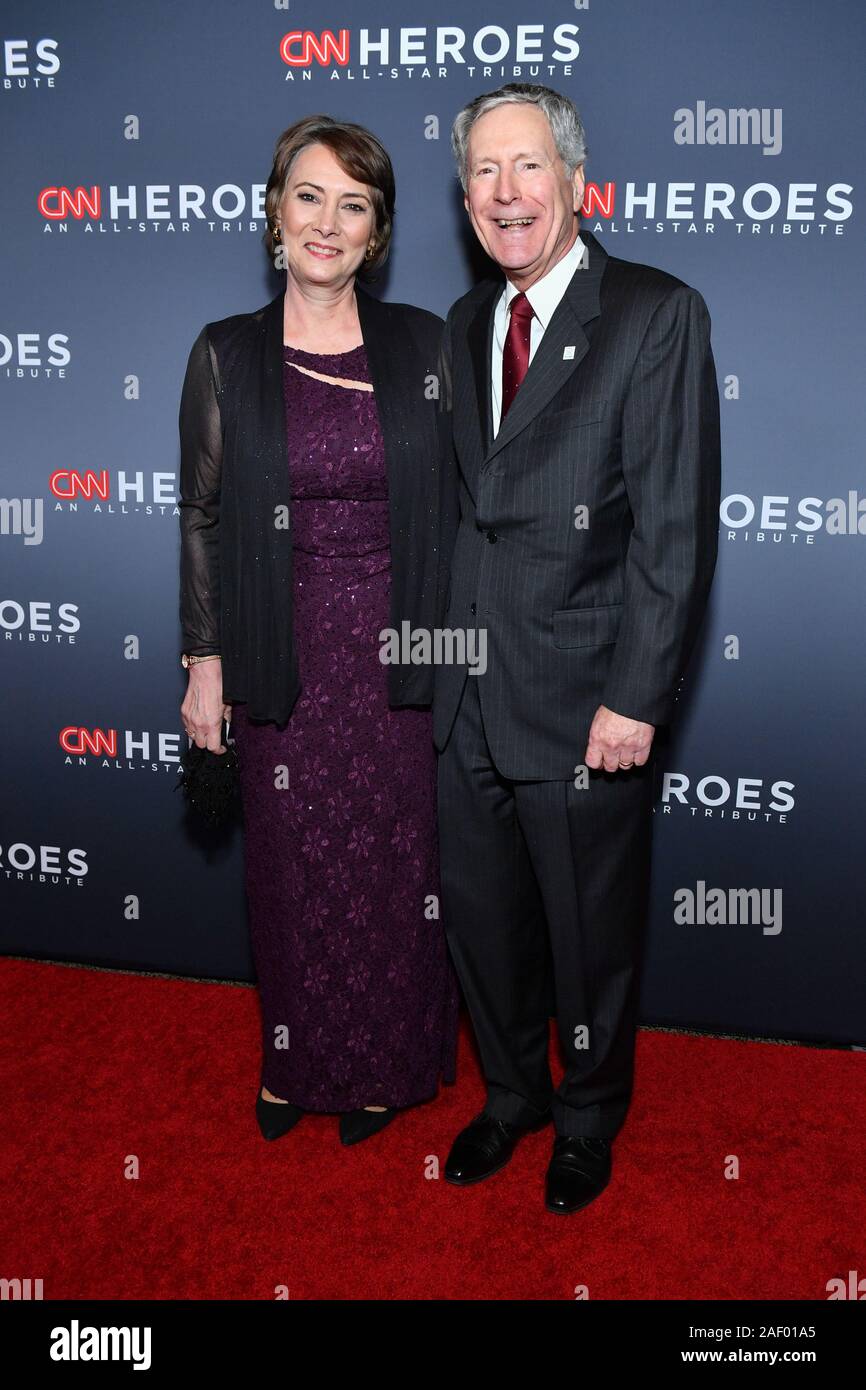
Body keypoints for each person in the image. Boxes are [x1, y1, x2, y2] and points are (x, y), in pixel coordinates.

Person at [434, 84, 721, 1211]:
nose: (506, 194)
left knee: (588, 937)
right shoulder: (464, 328)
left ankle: (587, 1116)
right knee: (484, 924)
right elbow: (471, 509)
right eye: (484, 176)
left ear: (574, 181)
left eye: (527, 168)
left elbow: (672, 528)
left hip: (584, 698)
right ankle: (512, 1096)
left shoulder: (654, 312)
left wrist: (636, 696)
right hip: (462, 696)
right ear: (464, 201)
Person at [178, 115, 459, 1147]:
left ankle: (387, 1063)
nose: (326, 222)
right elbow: (201, 515)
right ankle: (294, 1062)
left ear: (377, 232)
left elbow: (472, 502)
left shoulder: (425, 344)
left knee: (395, 865)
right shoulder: (225, 354)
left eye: (353, 204)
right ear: (272, 211)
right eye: (308, 196)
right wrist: (203, 661)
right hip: (277, 646)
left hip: (398, 652)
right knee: (290, 865)